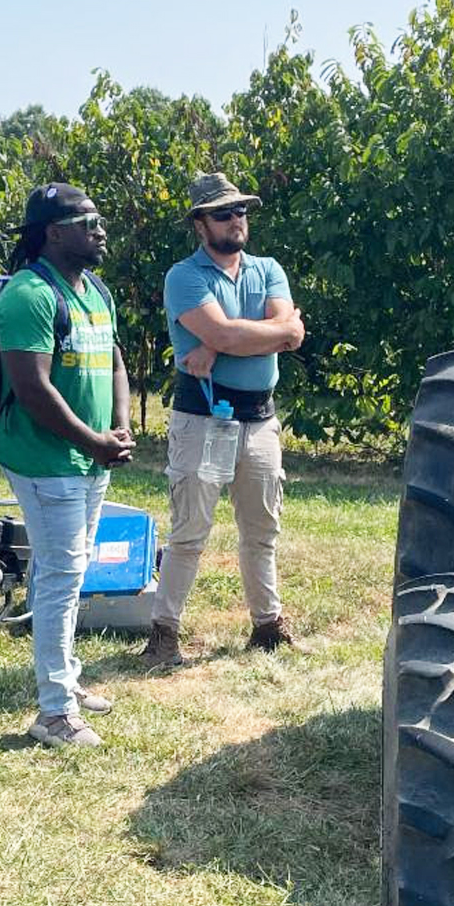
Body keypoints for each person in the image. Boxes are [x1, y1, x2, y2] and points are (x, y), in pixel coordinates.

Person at [139, 173, 304, 669]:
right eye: (223, 214)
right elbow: (271, 330)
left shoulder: (268, 268)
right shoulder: (184, 277)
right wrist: (244, 335)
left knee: (262, 528)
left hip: (259, 419)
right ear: (200, 224)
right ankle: (165, 634)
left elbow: (291, 334)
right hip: (202, 417)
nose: (236, 220)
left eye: (241, 212)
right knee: (190, 530)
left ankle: (267, 625)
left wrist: (218, 341)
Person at [0, 183, 131, 748]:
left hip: (88, 455)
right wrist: (92, 441)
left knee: (68, 573)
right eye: (87, 221)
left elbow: (116, 359)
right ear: (53, 232)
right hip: (46, 458)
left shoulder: (94, 290)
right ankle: (53, 712)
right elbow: (31, 388)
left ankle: (67, 682)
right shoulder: (29, 295)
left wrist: (117, 428)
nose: (100, 229)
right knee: (60, 576)